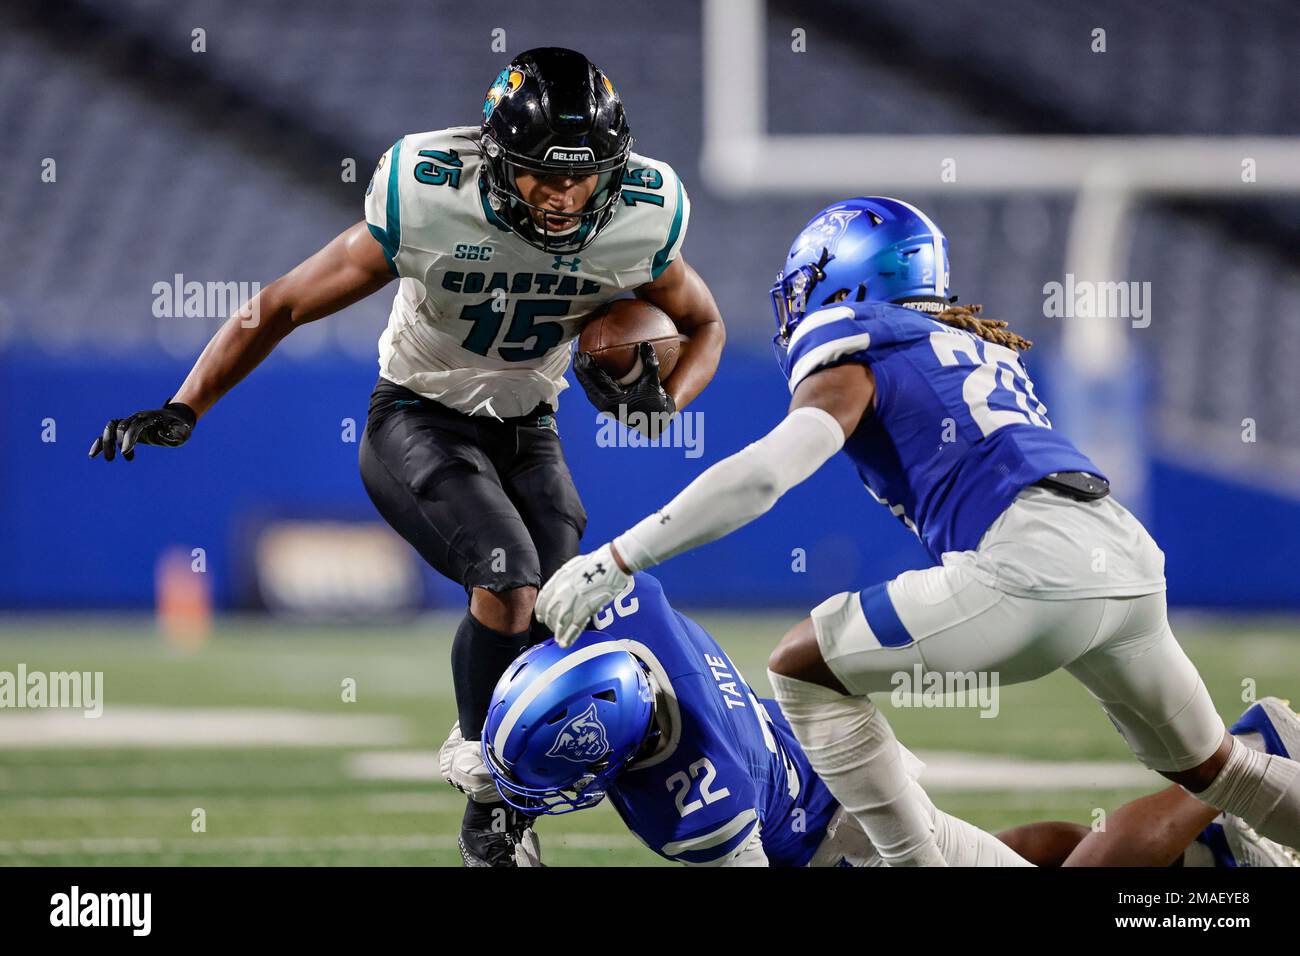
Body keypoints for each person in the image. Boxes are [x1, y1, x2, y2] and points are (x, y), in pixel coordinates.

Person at [88, 47, 725, 866]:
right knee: (508, 576)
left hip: (530, 423)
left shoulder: (642, 211)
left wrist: (670, 402)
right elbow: (280, 305)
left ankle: (499, 828)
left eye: (585, 175)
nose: (567, 196)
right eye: (542, 174)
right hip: (419, 416)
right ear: (497, 158)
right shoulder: (428, 194)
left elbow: (706, 325)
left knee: (564, 611)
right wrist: (186, 404)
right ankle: (479, 757)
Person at [535, 196, 1300, 866]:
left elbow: (769, 472)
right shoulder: (962, 341)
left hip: (1039, 565)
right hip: (1120, 553)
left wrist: (619, 555)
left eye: (806, 287)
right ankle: (1266, 766)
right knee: (1216, 768)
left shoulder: (855, 335)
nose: (797, 308)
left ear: (848, 277)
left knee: (804, 667)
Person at [467, 572, 1298, 867]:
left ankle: (1244, 759)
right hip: (836, 775)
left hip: (844, 832)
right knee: (1006, 851)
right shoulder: (632, 614)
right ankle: (1212, 841)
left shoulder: (700, 810)